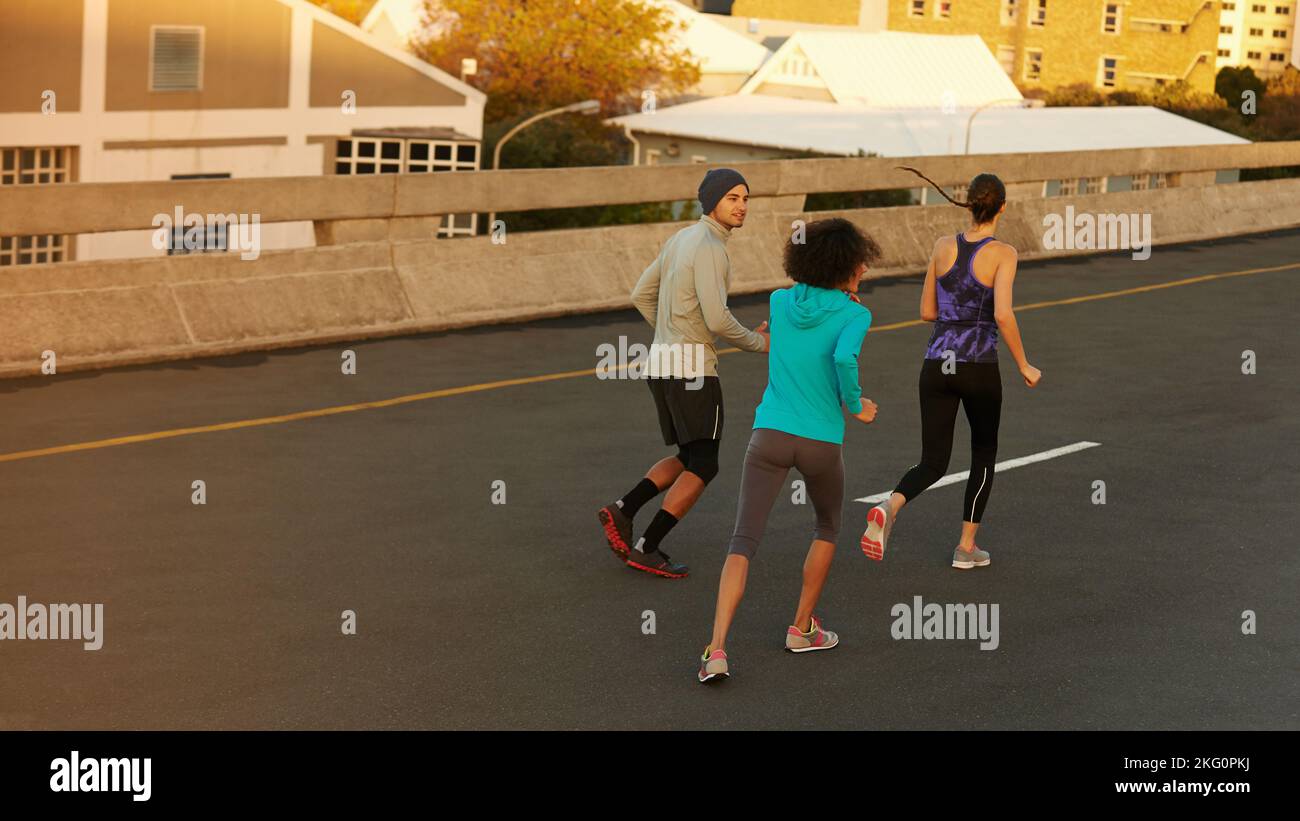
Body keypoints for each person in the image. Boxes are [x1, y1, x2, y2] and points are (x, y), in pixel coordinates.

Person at [698, 218, 880, 684]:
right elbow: (842, 357)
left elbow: (788, 325)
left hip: (770, 435)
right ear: (845, 265)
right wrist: (855, 405)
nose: (863, 267)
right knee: (826, 526)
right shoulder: (855, 314)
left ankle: (716, 649)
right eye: (859, 262)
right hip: (820, 441)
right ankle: (801, 628)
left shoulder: (779, 302)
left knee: (743, 541)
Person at [860, 167, 1041, 571]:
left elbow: (927, 310)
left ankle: (891, 505)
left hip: (936, 364)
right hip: (978, 366)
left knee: (933, 461)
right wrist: (1024, 365)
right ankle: (965, 547)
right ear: (1002, 208)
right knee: (983, 452)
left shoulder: (943, 246)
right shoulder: (1003, 253)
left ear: (968, 203)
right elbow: (1003, 315)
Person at [598, 168, 770, 579]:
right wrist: (759, 343)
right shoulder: (711, 244)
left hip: (660, 363)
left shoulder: (680, 238)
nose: (742, 206)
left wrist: (669, 332)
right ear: (711, 201)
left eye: (746, 198)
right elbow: (715, 316)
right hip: (692, 368)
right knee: (705, 463)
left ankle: (622, 510)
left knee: (689, 455)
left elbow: (640, 293)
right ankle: (648, 546)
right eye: (732, 198)